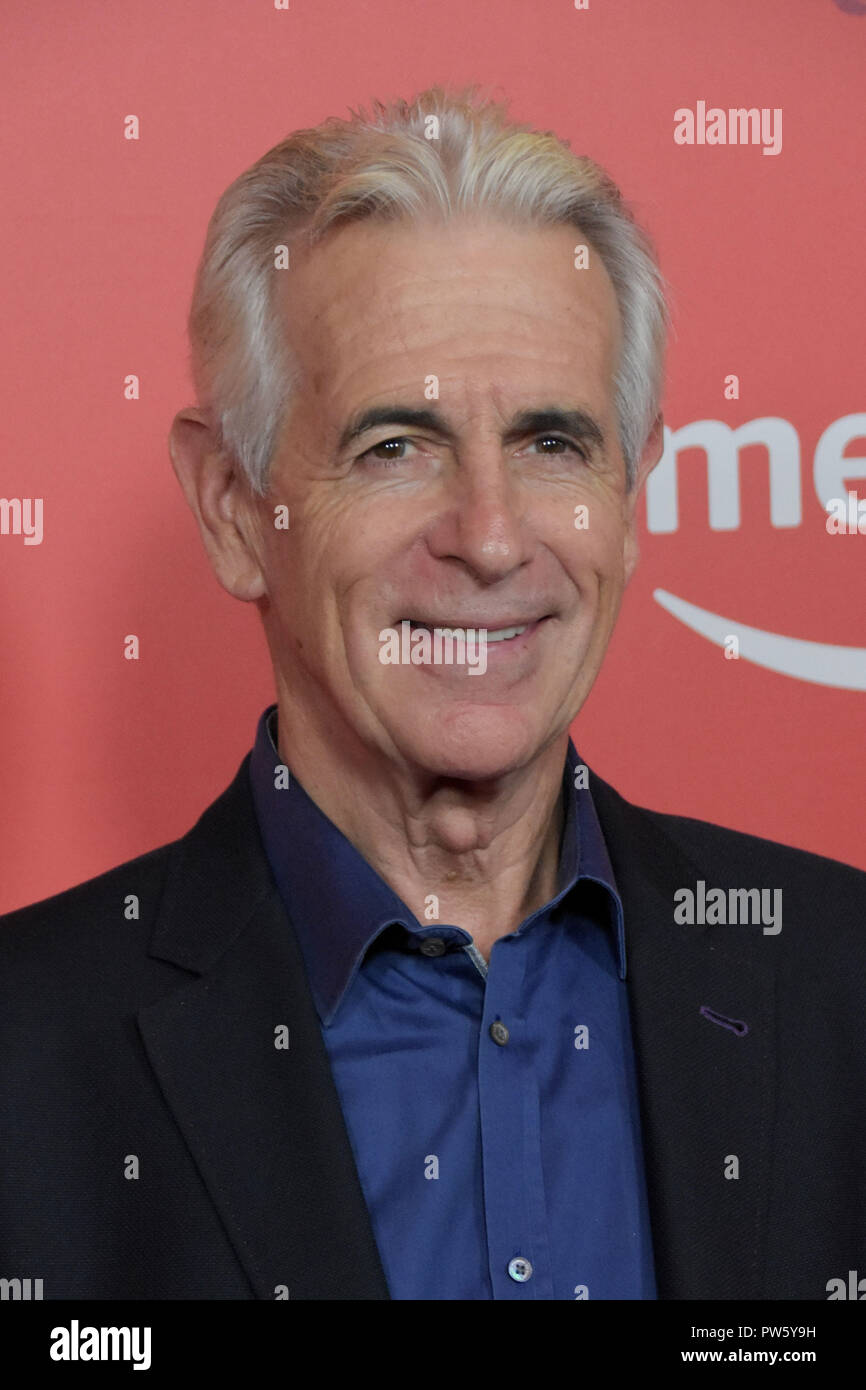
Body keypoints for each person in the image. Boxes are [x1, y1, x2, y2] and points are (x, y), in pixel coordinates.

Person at [1, 86, 864, 1302]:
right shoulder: (27, 1056)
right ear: (235, 511)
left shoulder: (837, 983)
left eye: (552, 442)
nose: (491, 536)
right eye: (393, 445)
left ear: (633, 494)